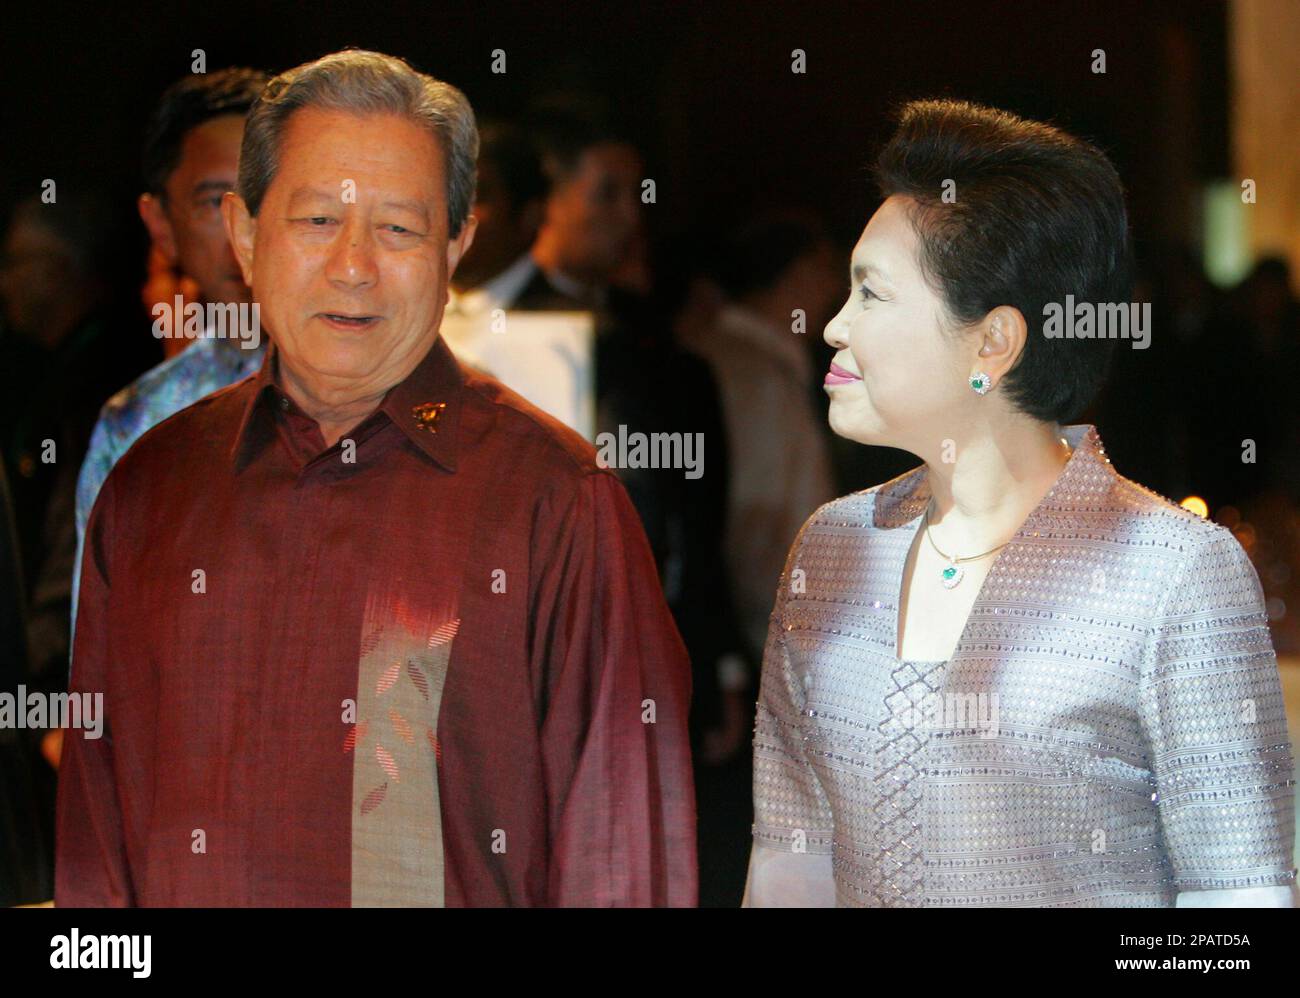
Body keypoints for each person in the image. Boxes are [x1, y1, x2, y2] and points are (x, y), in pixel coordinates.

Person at [56, 49, 696, 907]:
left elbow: (622, 859)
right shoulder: (152, 489)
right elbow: (96, 844)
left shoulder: (556, 502)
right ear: (246, 236)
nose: (354, 266)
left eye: (399, 228)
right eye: (317, 220)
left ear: (457, 245)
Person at [744, 99, 1298, 907]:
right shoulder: (832, 548)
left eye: (871, 295)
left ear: (992, 342)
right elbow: (789, 867)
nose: (832, 326)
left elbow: (1239, 908)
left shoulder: (1173, 572)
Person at [69, 67, 270, 659]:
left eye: (269, 195)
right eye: (216, 202)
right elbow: (100, 656)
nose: (245, 229)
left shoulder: (402, 386)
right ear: (161, 225)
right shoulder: (138, 422)